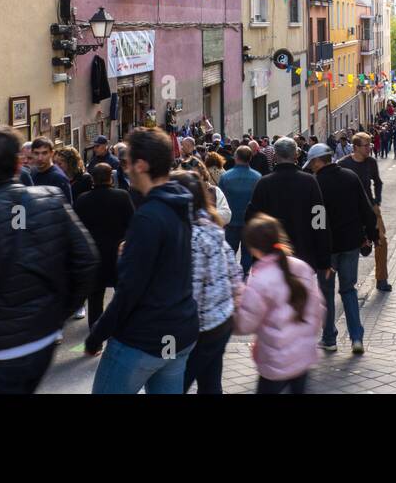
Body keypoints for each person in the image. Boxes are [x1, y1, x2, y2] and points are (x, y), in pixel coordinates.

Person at [0, 127, 98, 394]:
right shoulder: (51, 199)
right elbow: (86, 260)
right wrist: (58, 312)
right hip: (42, 338)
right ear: (18, 164)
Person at [86, 128, 199, 394]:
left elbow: (129, 291)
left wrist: (96, 335)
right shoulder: (180, 203)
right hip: (179, 333)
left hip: (143, 339)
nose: (123, 170)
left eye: (126, 163)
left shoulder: (148, 217)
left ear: (141, 165)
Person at [233, 215, 325, 394]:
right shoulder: (302, 268)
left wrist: (237, 304)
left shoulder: (260, 279)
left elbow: (245, 324)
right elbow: (318, 309)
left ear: (253, 248)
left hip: (276, 359)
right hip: (304, 354)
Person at [171, 171, 242, 394]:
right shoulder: (212, 228)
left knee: (174, 385)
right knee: (211, 383)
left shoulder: (190, 236)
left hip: (199, 327)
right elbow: (235, 273)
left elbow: (193, 289)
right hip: (221, 322)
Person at [309, 143, 377, 354]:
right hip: (350, 244)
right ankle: (356, 338)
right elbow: (366, 209)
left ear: (318, 161)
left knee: (326, 293)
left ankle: (329, 338)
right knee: (348, 290)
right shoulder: (350, 176)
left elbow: (317, 221)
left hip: (327, 249)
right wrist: (371, 237)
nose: (311, 167)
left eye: (312, 163)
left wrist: (316, 247)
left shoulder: (316, 183)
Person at [245, 138, 332, 276]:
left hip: (270, 259)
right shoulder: (309, 182)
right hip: (304, 258)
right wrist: (324, 260)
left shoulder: (264, 184)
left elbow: (251, 219)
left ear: (275, 155)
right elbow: (319, 221)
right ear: (296, 155)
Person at [72, 164, 134, 328]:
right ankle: (123, 326)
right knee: (121, 293)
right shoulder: (122, 196)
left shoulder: (83, 200)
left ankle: (95, 333)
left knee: (95, 298)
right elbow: (133, 224)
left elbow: (77, 229)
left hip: (95, 255)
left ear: (92, 179)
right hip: (118, 253)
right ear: (111, 178)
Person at [338, 131, 390, 292]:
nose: (369, 148)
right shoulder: (343, 164)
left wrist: (377, 201)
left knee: (381, 240)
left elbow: (378, 182)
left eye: (370, 145)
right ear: (355, 147)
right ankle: (347, 284)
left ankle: (381, 279)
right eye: (366, 145)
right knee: (347, 246)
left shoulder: (371, 163)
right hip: (352, 210)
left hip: (371, 209)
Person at [219, 145, 262, 274]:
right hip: (250, 223)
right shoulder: (258, 177)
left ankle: (231, 280)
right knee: (248, 255)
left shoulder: (226, 177)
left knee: (229, 253)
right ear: (250, 158)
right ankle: (244, 279)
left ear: (236, 157)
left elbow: (221, 200)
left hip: (231, 222)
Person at [26, 137, 73, 204]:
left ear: (52, 153)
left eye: (44, 153)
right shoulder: (32, 172)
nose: (40, 158)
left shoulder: (59, 178)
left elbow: (67, 208)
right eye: (36, 153)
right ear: (32, 153)